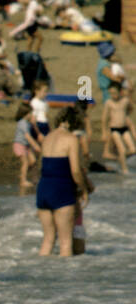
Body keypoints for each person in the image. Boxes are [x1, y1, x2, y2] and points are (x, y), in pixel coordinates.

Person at [36, 107, 88, 258]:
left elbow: (41, 167)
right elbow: (76, 171)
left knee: (48, 240)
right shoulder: (71, 139)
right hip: (61, 190)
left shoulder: (48, 137)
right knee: (65, 244)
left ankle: (40, 275)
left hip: (43, 189)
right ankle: (65, 281)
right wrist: (83, 190)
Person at [105, 81, 136, 171]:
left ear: (120, 92)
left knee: (133, 149)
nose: (113, 95)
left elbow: (131, 108)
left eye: (114, 93)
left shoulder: (125, 101)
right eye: (111, 93)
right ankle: (124, 170)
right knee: (122, 149)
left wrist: (125, 114)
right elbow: (104, 118)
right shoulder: (109, 102)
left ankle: (119, 157)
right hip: (114, 129)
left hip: (124, 128)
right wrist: (104, 131)